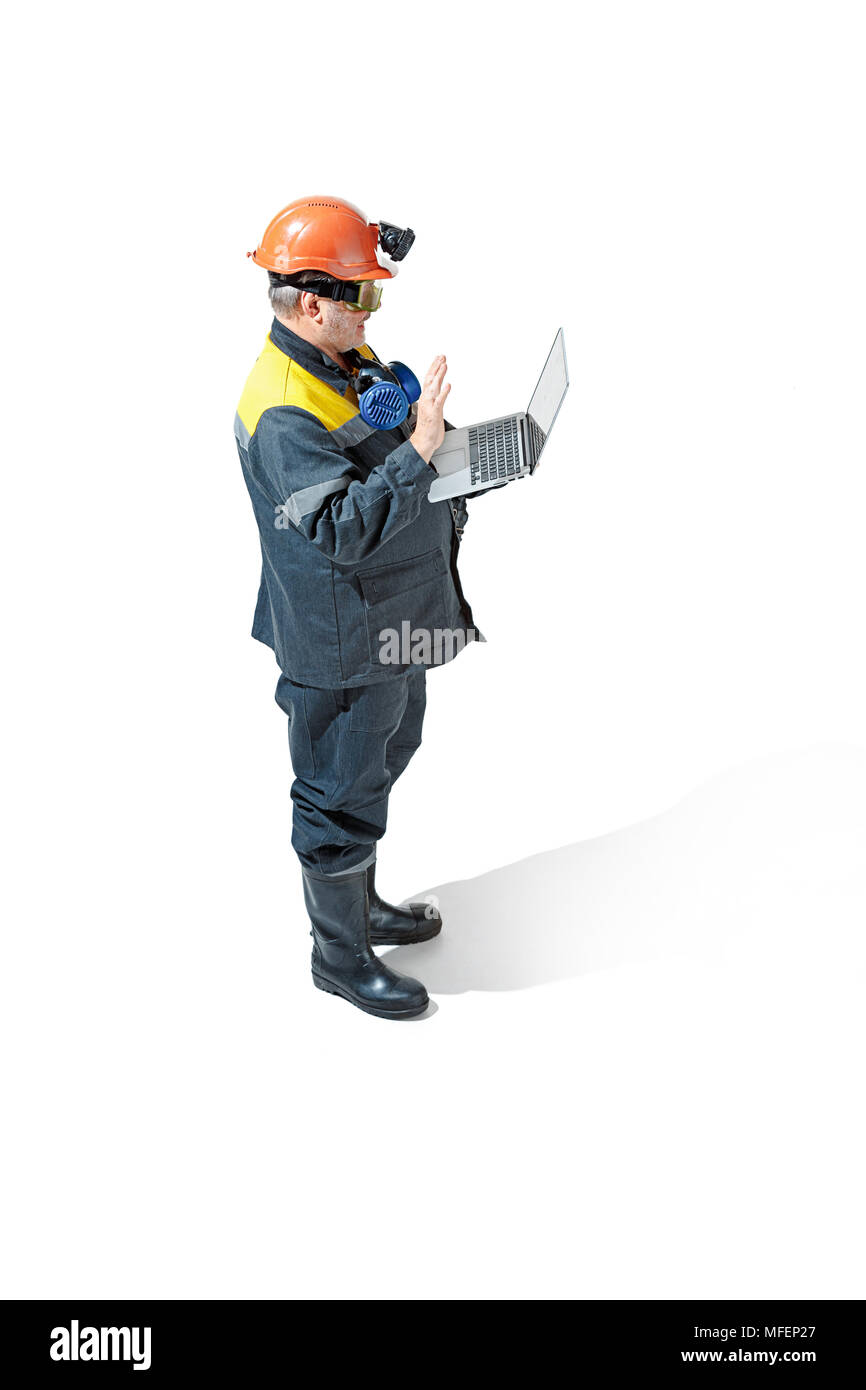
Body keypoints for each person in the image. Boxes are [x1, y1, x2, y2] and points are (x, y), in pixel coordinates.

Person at [234, 196, 483, 1020]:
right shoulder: (281, 411)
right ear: (311, 302)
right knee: (339, 787)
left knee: (385, 752)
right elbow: (341, 529)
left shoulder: (338, 357)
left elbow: (369, 442)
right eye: (362, 296)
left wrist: (438, 444)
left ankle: (360, 901)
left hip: (388, 621)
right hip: (340, 637)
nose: (372, 311)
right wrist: (417, 455)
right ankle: (338, 956)